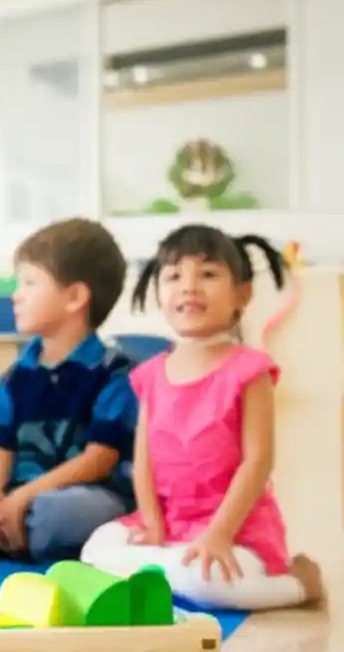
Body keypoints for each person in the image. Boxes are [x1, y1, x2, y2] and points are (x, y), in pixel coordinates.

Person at [81, 225, 323, 609]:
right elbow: (143, 462)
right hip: (171, 525)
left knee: (206, 581)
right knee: (96, 549)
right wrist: (151, 521)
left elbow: (257, 463)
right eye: (174, 276)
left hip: (234, 529)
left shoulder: (248, 369)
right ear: (158, 293)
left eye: (208, 274)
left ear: (242, 294)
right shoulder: (151, 374)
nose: (189, 286)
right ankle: (171, 571)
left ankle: (298, 584)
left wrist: (219, 535)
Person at [0, 218, 138, 562]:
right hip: (18, 494)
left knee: (60, 515)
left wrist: (23, 500)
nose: (16, 296)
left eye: (30, 283)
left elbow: (98, 460)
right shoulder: (15, 377)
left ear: (75, 297)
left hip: (82, 495)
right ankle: (3, 529)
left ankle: (11, 532)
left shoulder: (113, 371)